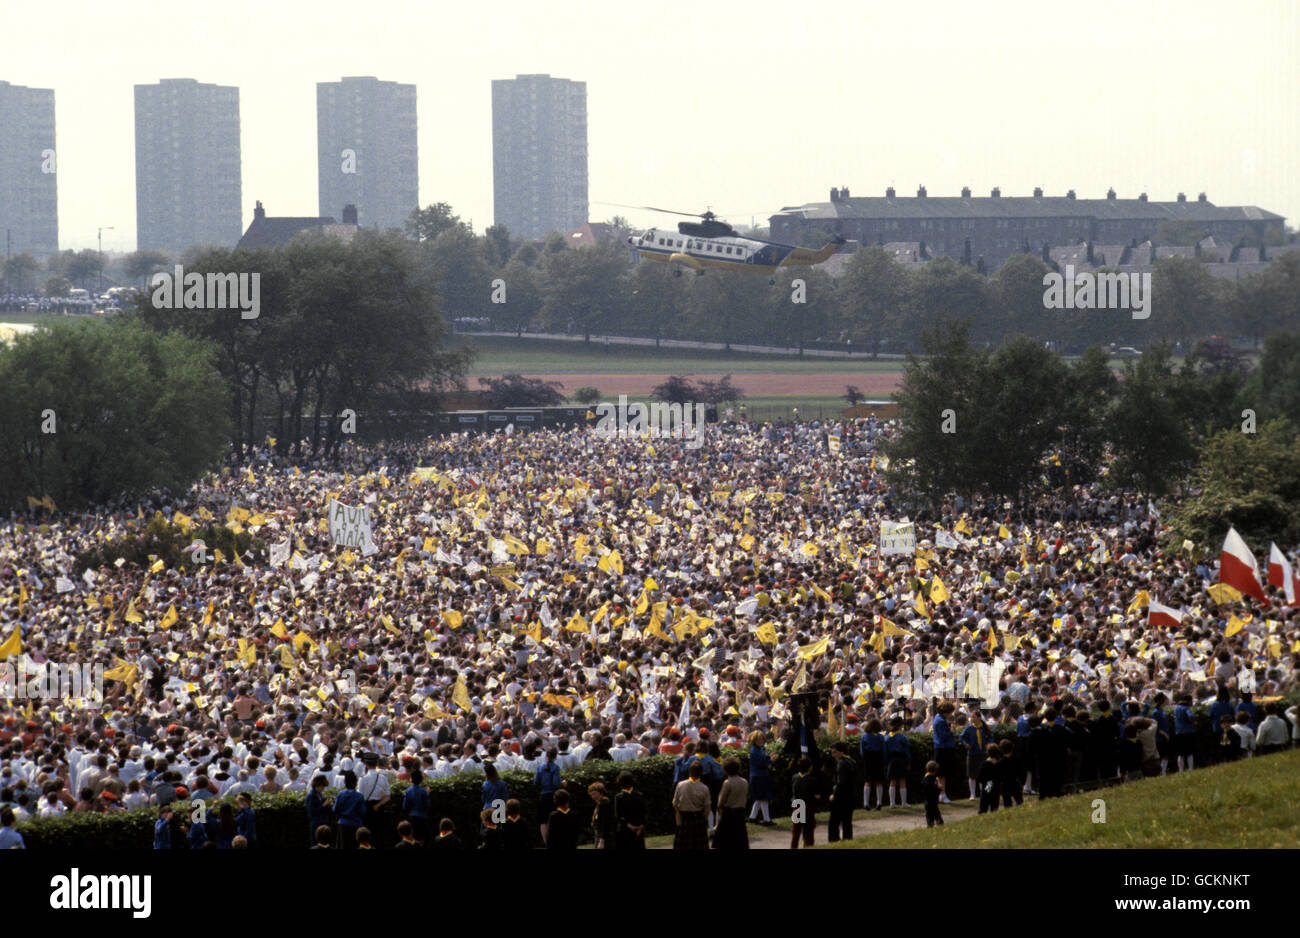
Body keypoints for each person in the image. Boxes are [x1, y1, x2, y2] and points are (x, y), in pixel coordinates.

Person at [671, 761, 711, 850]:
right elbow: (707, 807)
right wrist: (704, 819)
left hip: (684, 818)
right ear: (701, 772)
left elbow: (675, 804)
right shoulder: (704, 788)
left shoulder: (680, 785)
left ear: (690, 771)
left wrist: (678, 820)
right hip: (698, 819)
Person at [713, 757, 748, 849]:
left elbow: (722, 799)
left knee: (726, 842)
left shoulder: (727, 783)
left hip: (729, 813)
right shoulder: (744, 781)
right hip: (740, 812)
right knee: (739, 840)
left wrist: (719, 807)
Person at [827, 741, 856, 842]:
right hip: (850, 795)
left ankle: (833, 840)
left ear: (841, 752)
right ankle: (847, 839)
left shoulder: (842, 764)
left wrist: (834, 795)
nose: (833, 755)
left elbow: (841, 782)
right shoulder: (852, 761)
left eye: (835, 752)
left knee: (833, 822)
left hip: (841, 797)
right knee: (847, 821)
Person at [789, 756, 817, 849]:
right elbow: (814, 794)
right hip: (807, 806)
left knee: (795, 832)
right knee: (808, 831)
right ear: (809, 768)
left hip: (796, 806)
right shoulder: (811, 779)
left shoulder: (794, 777)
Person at [931, 701, 956, 803]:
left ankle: (941, 794)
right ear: (946, 711)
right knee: (942, 774)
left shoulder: (940, 718)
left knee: (941, 774)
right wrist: (951, 731)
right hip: (942, 748)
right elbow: (943, 736)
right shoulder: (940, 721)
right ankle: (942, 794)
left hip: (941, 748)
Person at [614, 771, 646, 850]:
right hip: (638, 829)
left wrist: (630, 826)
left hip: (625, 830)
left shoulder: (619, 797)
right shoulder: (639, 795)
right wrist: (641, 826)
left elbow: (618, 815)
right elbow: (644, 812)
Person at [333, 770, 365, 849]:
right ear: (355, 782)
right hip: (355, 824)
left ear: (345, 782)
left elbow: (335, 809)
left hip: (343, 823)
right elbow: (363, 811)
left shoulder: (340, 794)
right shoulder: (359, 796)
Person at [746, 731, 773, 825]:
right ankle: (767, 819)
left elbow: (764, 759)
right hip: (758, 776)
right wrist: (771, 760)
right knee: (764, 798)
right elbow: (761, 764)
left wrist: (769, 757)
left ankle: (752, 817)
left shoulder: (760, 749)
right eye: (758, 739)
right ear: (754, 740)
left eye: (761, 738)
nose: (760, 741)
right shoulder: (755, 750)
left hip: (760, 775)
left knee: (759, 798)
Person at [859, 717, 886, 810]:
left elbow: (862, 751)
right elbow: (883, 750)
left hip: (868, 759)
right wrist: (884, 761)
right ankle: (879, 802)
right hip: (878, 759)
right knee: (879, 782)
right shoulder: (880, 737)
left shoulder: (864, 736)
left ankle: (866, 802)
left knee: (867, 782)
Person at [535, 748, 562, 842]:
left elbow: (536, 782)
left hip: (543, 795)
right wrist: (562, 784)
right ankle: (554, 840)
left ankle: (546, 842)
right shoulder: (555, 767)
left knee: (543, 821)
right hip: (553, 796)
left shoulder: (540, 767)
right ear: (555, 756)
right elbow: (556, 783)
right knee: (554, 819)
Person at [883, 716, 910, 807]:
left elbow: (885, 752)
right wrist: (908, 761)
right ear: (900, 725)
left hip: (891, 760)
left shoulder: (887, 737)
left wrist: (886, 763)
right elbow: (906, 750)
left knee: (892, 781)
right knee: (902, 780)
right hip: (901, 758)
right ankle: (903, 802)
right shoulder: (902, 737)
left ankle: (892, 803)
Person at [401, 767, 431, 846]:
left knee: (413, 838)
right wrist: (427, 795)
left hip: (412, 817)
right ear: (421, 779)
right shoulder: (423, 791)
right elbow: (427, 805)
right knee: (422, 839)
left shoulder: (408, 790)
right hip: (422, 817)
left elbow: (405, 806)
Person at [306, 774, 333, 848]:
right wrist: (323, 805)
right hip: (316, 824)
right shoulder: (311, 796)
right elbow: (311, 812)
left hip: (322, 821)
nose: (323, 788)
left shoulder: (319, 794)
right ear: (318, 785)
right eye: (322, 786)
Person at [588, 782, 615, 849]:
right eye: (591, 795)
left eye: (595, 794)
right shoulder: (600, 803)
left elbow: (605, 823)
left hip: (604, 837)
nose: (593, 797)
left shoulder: (605, 804)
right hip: (599, 835)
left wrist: (602, 841)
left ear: (601, 792)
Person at [997, 738, 1024, 807]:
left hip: (1005, 785)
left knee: (1007, 804)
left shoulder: (1000, 762)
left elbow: (998, 775)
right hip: (1015, 783)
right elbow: (1022, 771)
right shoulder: (1017, 759)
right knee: (1019, 801)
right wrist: (1022, 782)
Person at [977, 743, 1001, 814]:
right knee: (994, 806)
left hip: (988, 785)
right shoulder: (999, 763)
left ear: (988, 752)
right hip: (996, 786)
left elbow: (980, 777)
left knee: (984, 804)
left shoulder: (985, 764)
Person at [921, 760, 943, 828]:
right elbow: (936, 790)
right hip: (933, 801)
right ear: (935, 770)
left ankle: (930, 824)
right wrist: (939, 786)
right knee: (936, 815)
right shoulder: (933, 780)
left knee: (929, 815)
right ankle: (938, 823)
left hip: (927, 801)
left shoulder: (925, 778)